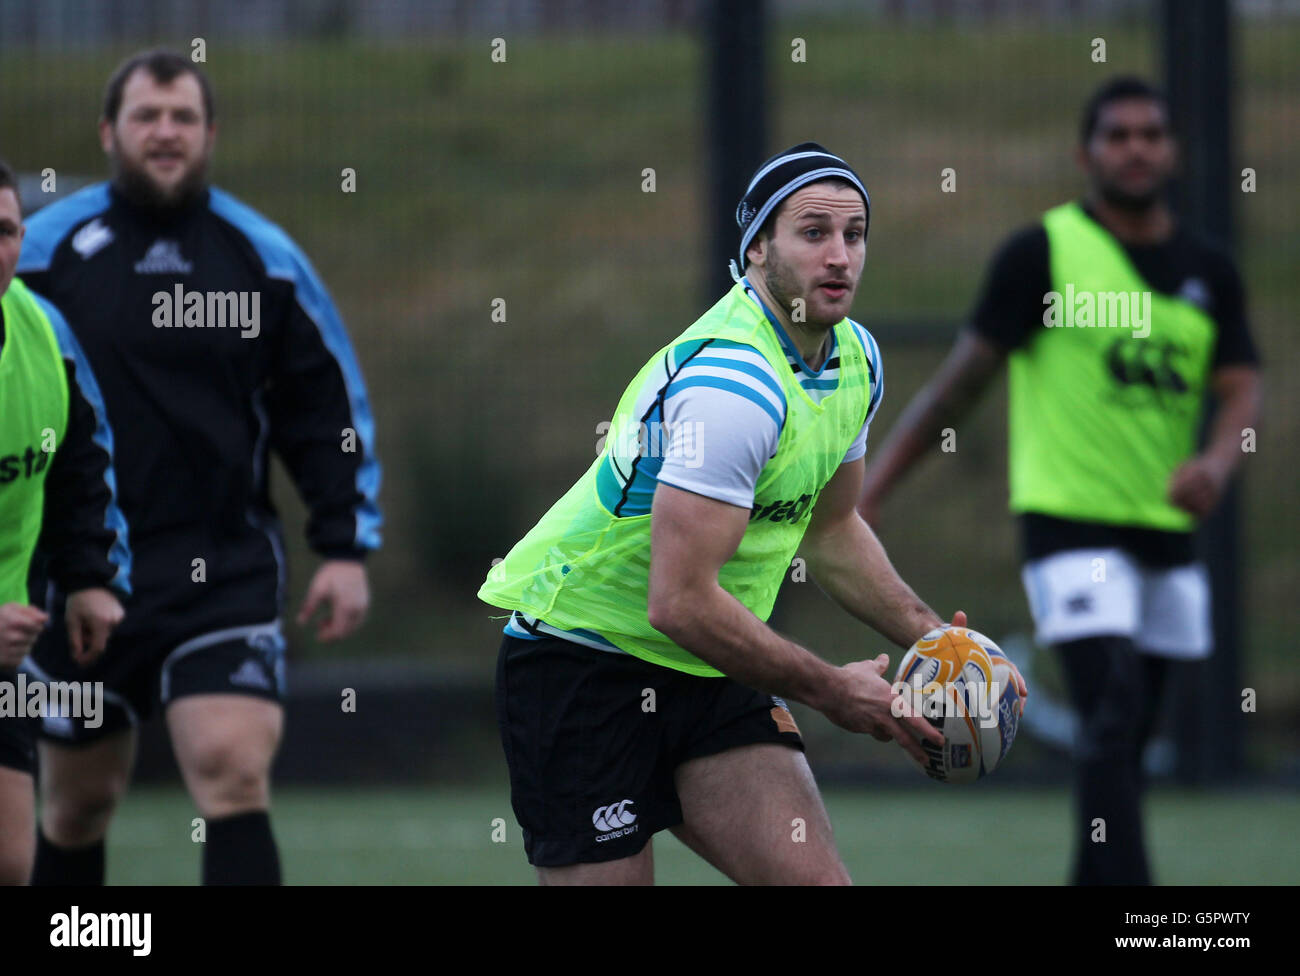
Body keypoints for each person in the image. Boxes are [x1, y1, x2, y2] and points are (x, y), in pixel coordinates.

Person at [480, 142, 1025, 885]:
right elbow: (676, 601)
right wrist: (833, 690)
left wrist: (945, 645)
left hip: (708, 665)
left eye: (854, 234)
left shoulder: (854, 360)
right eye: (812, 233)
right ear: (758, 250)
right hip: (585, 661)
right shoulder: (733, 386)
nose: (839, 256)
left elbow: (831, 531)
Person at [858, 77, 1262, 885]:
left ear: (1173, 151)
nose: (1136, 148)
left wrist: (1217, 462)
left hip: (1166, 532)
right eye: (1118, 135)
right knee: (1109, 709)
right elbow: (959, 387)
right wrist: (861, 498)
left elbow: (1242, 385)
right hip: (1069, 525)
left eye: (1151, 134)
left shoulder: (1208, 271)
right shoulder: (1040, 254)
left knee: (1130, 732)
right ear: (1087, 154)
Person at [16, 50, 382, 885]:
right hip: (75, 572)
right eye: (147, 116)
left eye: (183, 117)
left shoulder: (264, 260)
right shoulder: (38, 255)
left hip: (222, 567)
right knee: (77, 804)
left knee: (232, 770)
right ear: (109, 132)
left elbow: (326, 414)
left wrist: (345, 547)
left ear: (210, 134)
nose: (166, 133)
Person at [0, 159, 131, 884]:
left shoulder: (39, 331)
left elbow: (79, 462)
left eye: (6, 231)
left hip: (5, 651)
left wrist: (85, 577)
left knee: (12, 864)